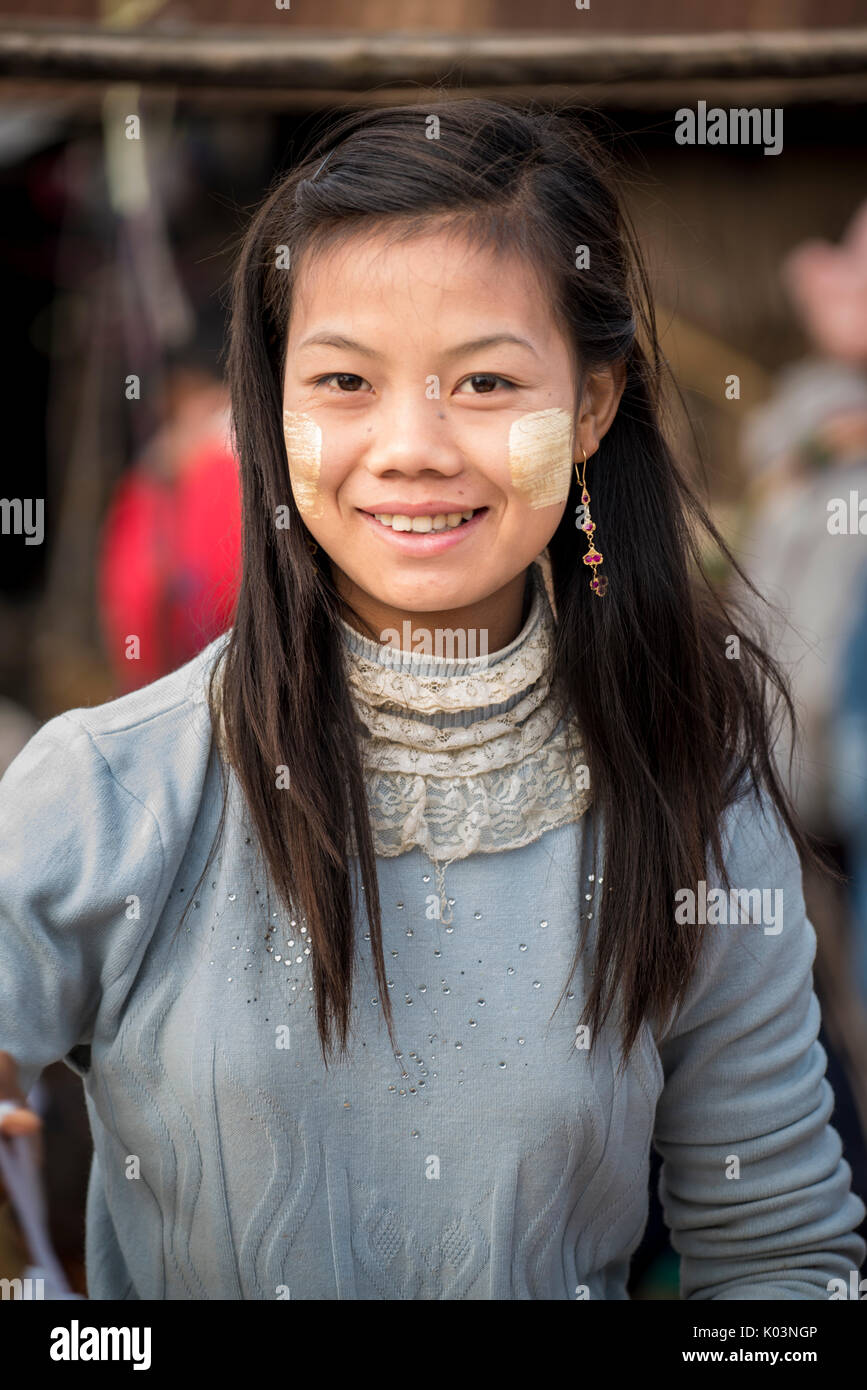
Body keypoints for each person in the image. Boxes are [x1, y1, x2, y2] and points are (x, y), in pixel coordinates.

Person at [0, 99, 864, 1301]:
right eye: (346, 380)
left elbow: (781, 1261)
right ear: (273, 408)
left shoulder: (691, 793)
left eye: (487, 381)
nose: (411, 445)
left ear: (594, 406)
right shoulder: (109, 789)